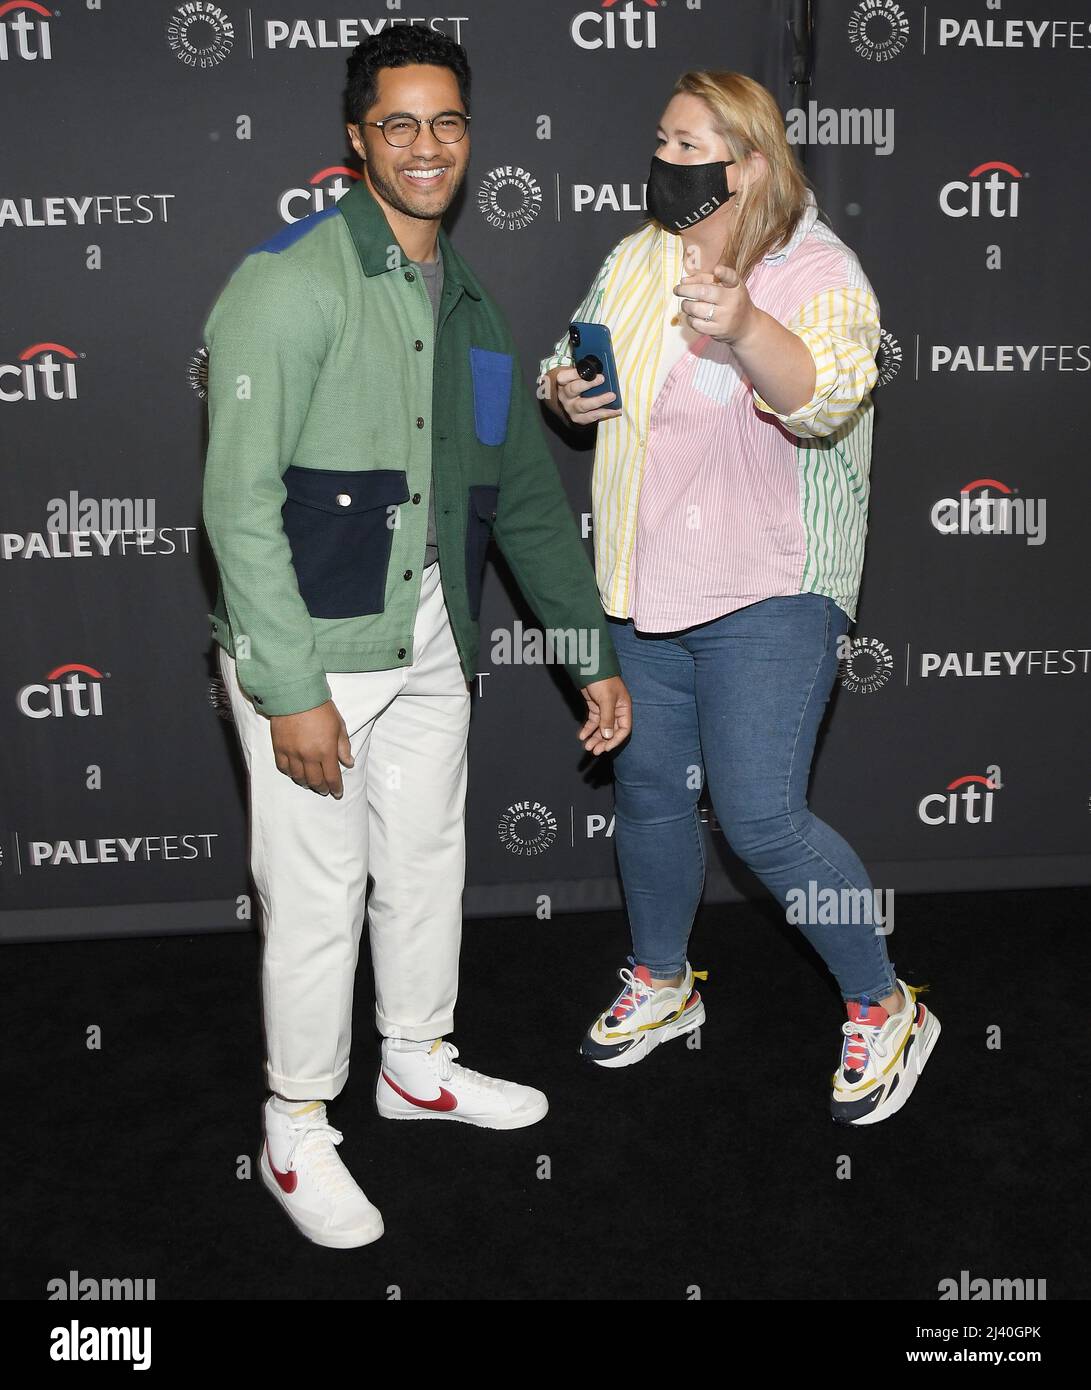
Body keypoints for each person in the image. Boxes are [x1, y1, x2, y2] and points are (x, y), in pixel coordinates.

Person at [201, 27, 631, 1249]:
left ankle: (416, 1063)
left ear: (469, 135)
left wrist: (586, 649)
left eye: (445, 122)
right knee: (318, 892)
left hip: (433, 635)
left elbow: (524, 501)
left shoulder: (478, 303)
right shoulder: (286, 283)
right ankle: (294, 1122)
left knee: (427, 862)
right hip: (317, 646)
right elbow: (233, 505)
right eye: (398, 123)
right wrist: (287, 686)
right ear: (356, 137)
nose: (425, 146)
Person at [538, 70, 939, 1126]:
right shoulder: (635, 256)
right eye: (661, 141)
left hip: (770, 584)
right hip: (642, 585)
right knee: (651, 802)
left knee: (760, 817)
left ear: (748, 161)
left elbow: (826, 400)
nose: (664, 161)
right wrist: (564, 387)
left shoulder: (817, 265)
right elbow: (576, 362)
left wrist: (747, 321)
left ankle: (882, 1001)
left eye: (686, 145)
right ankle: (662, 981)